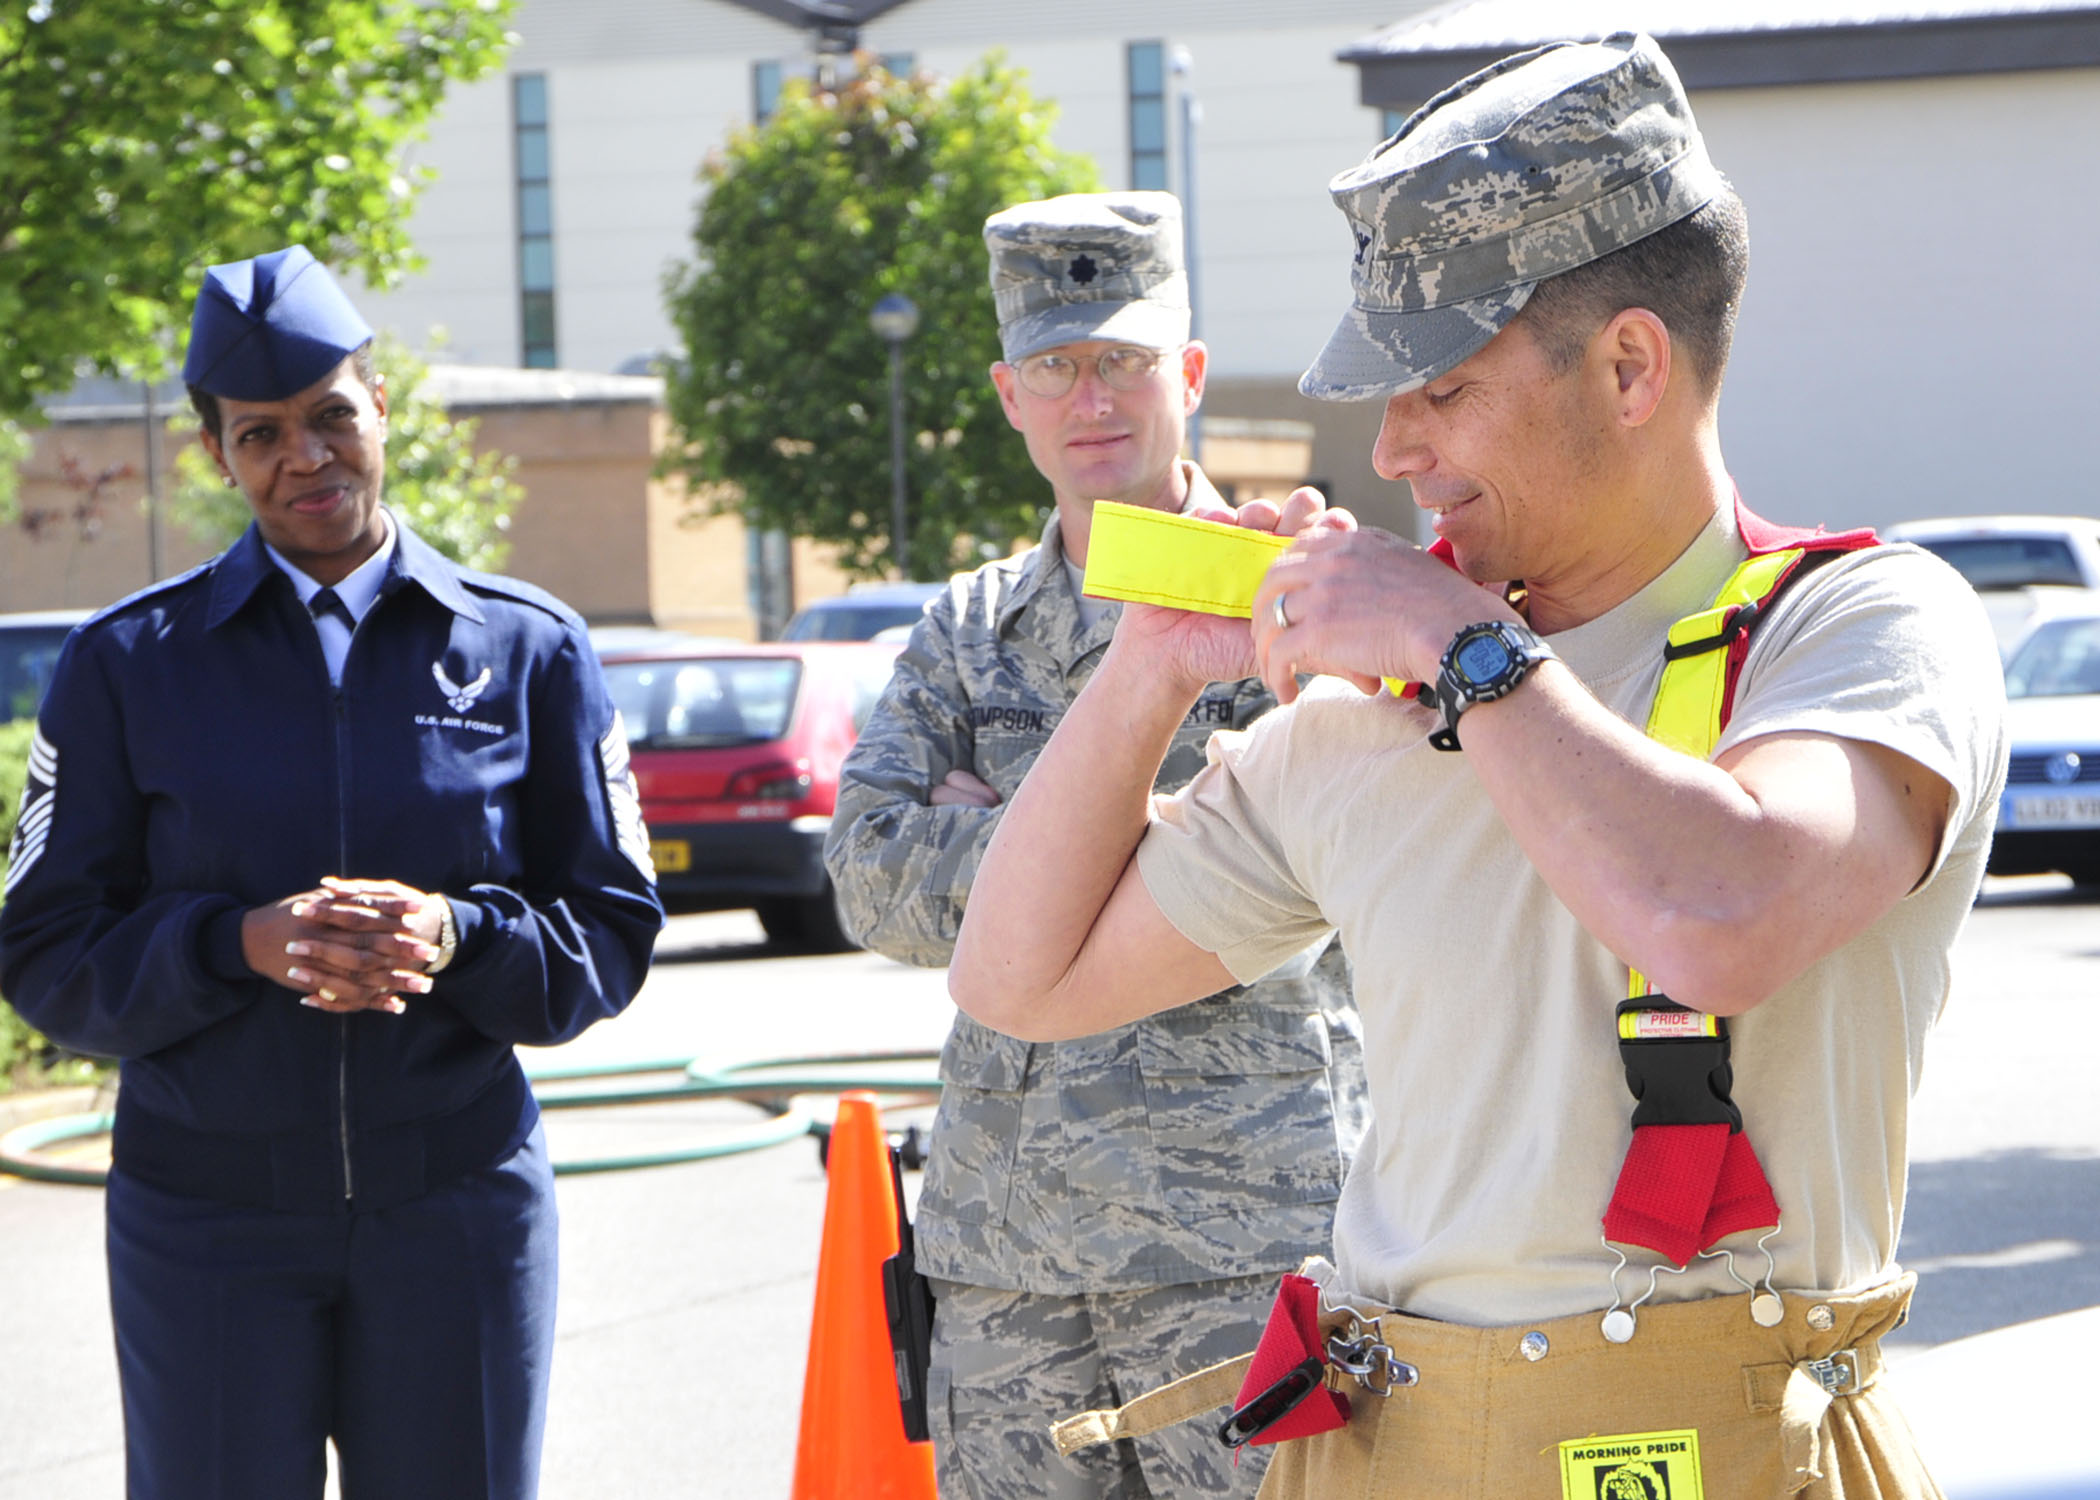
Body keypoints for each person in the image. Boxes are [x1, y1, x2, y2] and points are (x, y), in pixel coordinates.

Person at [947, 36, 2006, 1500]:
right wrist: (1149, 671)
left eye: (1439, 388)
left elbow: (1725, 915)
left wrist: (1466, 646)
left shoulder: (1855, 628)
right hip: (1401, 1443)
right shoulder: (1371, 707)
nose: (1392, 449)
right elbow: (1020, 978)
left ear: (1630, 364)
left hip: (1716, 1447)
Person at [0, 245, 663, 1500]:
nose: (305, 457)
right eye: (260, 434)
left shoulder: (529, 648)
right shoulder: (125, 665)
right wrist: (234, 942)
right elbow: (45, 949)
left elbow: (612, 930)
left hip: (456, 1210)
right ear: (215, 454)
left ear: (382, 409)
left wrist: (459, 934)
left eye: (331, 416)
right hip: (205, 1224)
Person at [824, 191, 1367, 1500]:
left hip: (1247, 1236)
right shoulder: (967, 627)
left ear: (1186, 372)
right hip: (1010, 1254)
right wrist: (1154, 822)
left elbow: (1325, 853)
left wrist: (995, 830)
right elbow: (868, 877)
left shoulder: (1300, 589)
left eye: (1120, 359)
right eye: (1058, 366)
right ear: (1009, 393)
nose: (1092, 398)